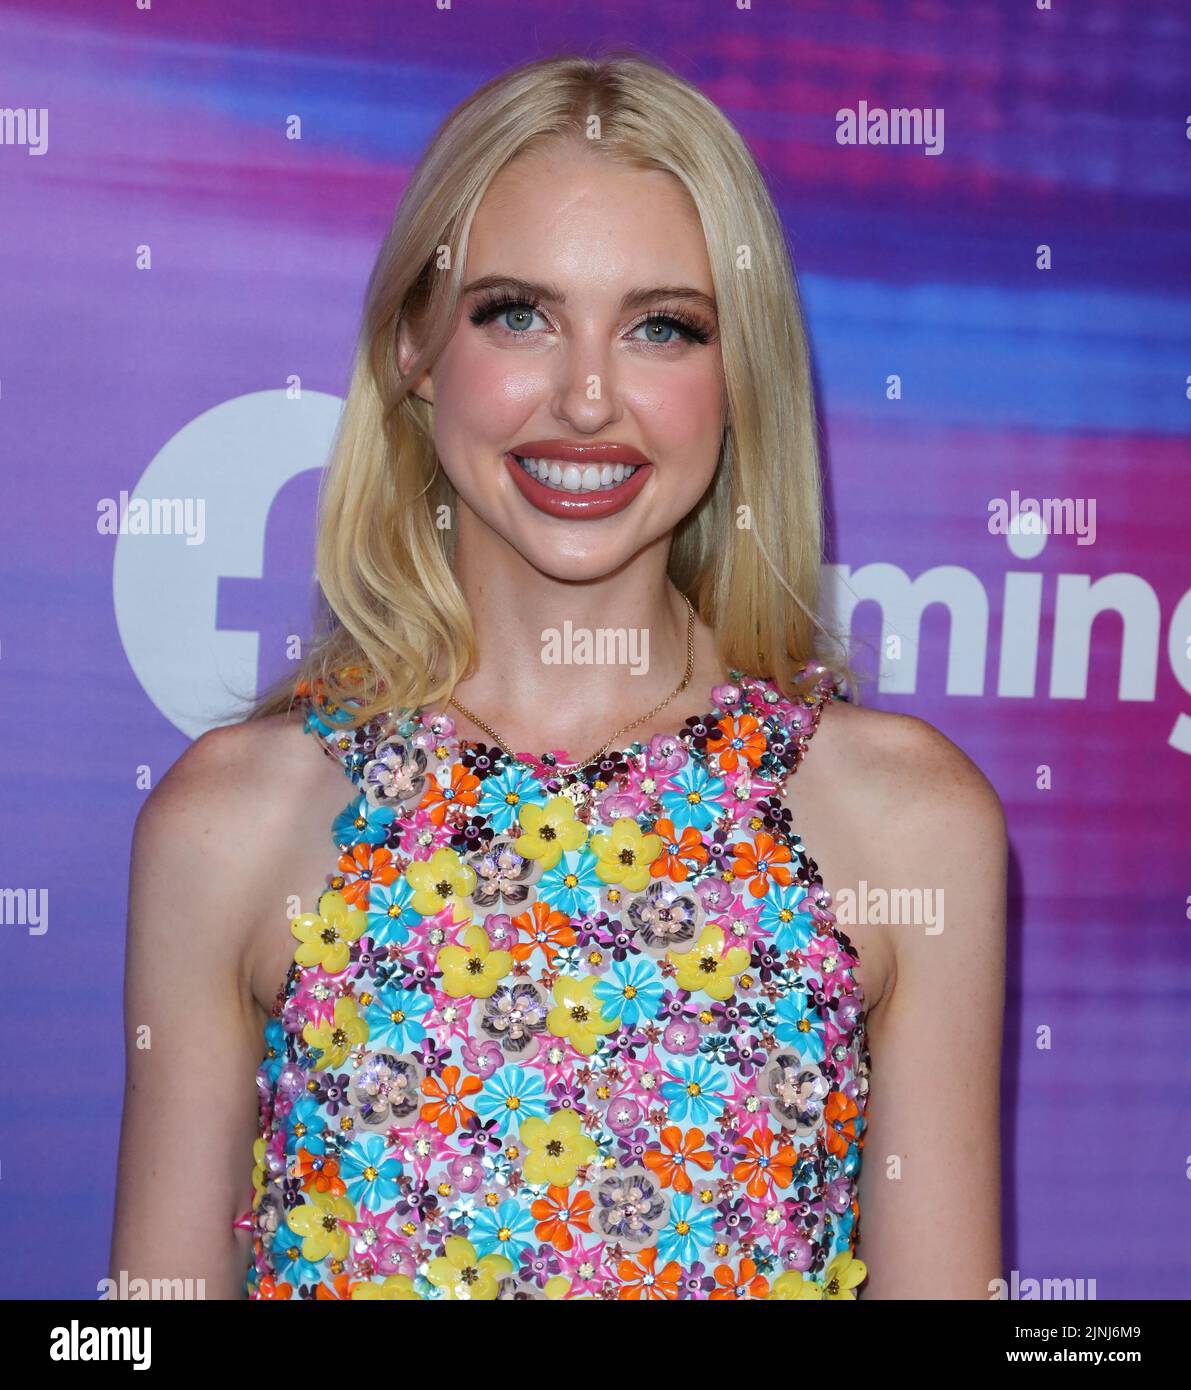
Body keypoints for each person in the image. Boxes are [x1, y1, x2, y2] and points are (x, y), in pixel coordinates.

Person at [110, 51, 1006, 1301]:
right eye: (517, 312)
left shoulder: (908, 825)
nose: (588, 398)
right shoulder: (233, 821)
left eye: (661, 327)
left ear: (738, 376)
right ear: (417, 347)